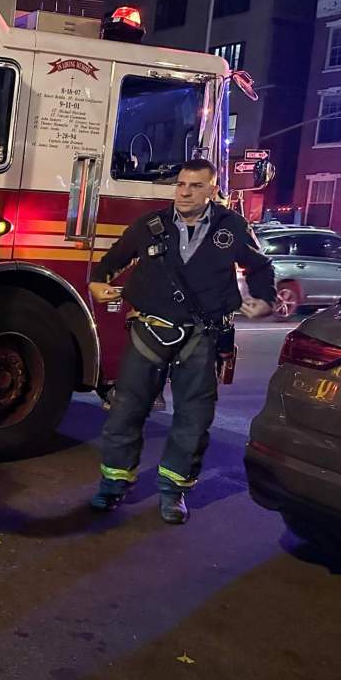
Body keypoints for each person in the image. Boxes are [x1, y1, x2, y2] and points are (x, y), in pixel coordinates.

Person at [88, 158, 274, 524]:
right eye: (181, 185)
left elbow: (261, 266)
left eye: (194, 186)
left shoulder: (232, 227)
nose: (184, 192)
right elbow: (109, 263)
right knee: (126, 410)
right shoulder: (149, 226)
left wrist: (264, 300)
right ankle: (113, 484)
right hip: (150, 332)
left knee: (193, 418)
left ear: (212, 191)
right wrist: (98, 285)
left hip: (203, 337)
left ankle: (173, 492)